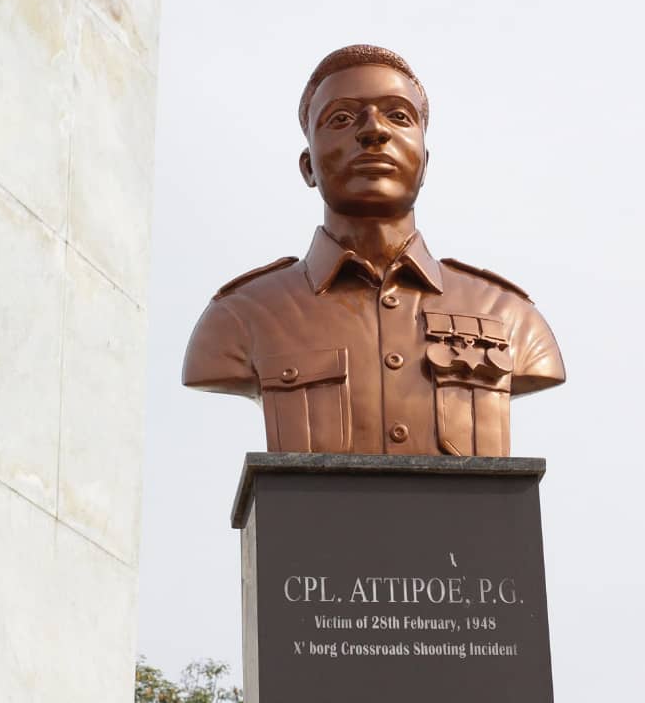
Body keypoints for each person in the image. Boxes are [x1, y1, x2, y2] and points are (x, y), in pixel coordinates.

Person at [182, 44, 565, 456]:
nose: (373, 131)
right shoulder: (241, 318)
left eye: (398, 116)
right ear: (308, 167)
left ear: (425, 162)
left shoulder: (510, 319)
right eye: (342, 118)